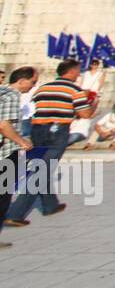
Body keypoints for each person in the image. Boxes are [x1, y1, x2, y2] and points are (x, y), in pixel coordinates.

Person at [6, 59, 95, 227]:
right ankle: (15, 213)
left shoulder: (43, 88)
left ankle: (49, 205)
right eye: (78, 71)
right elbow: (84, 114)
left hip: (38, 130)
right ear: (72, 72)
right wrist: (93, 105)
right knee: (42, 170)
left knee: (41, 165)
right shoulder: (75, 90)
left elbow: (37, 106)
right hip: (57, 131)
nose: (79, 74)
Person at [0, 68, 38, 247]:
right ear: (22, 81)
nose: (33, 86)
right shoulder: (12, 96)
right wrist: (21, 141)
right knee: (3, 196)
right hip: (5, 152)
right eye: (32, 82)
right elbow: (4, 125)